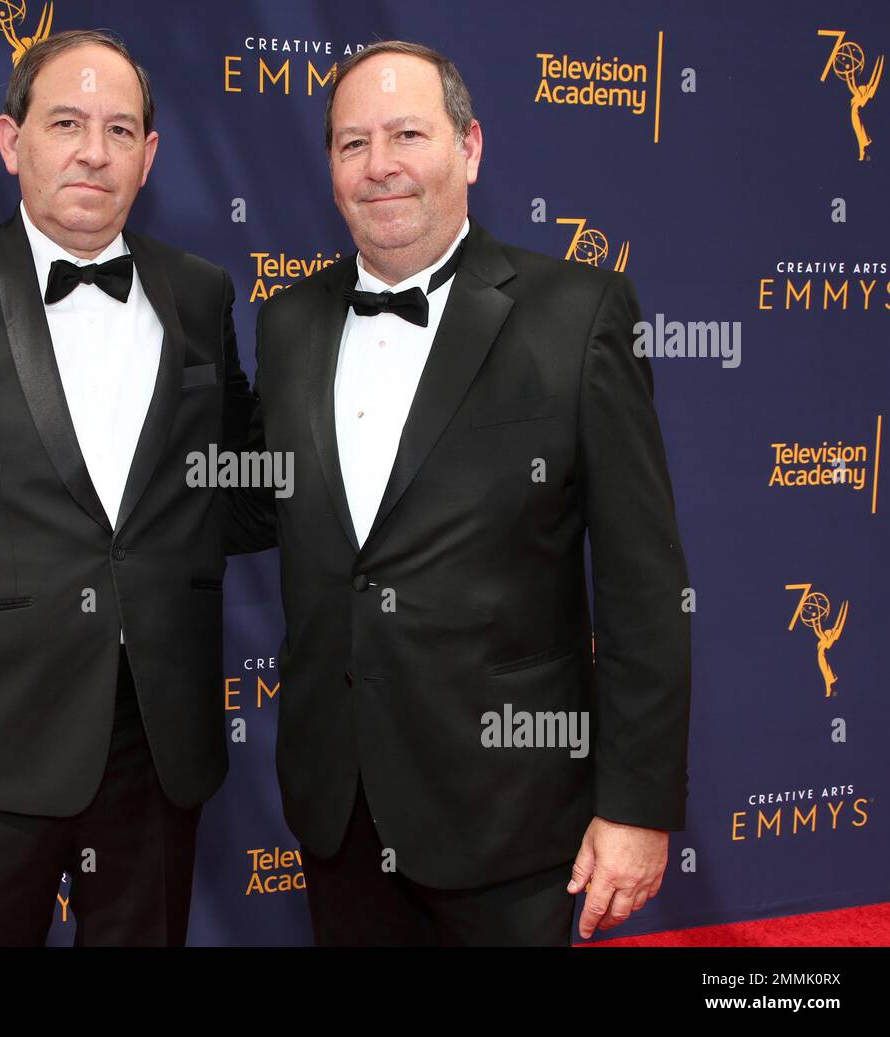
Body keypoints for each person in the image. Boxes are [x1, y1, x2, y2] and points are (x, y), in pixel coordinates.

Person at [223, 40, 692, 946]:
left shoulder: (579, 314)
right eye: (353, 143)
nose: (380, 164)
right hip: (340, 809)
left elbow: (644, 583)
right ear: (330, 168)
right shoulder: (287, 321)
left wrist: (636, 805)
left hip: (513, 816)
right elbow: (259, 501)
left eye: (408, 133)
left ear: (470, 148)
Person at [0, 29, 255, 946]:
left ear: (150, 156)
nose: (92, 151)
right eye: (66, 122)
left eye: (119, 128)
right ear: (9, 139)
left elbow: (237, 486)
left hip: (158, 749)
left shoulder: (202, 294)